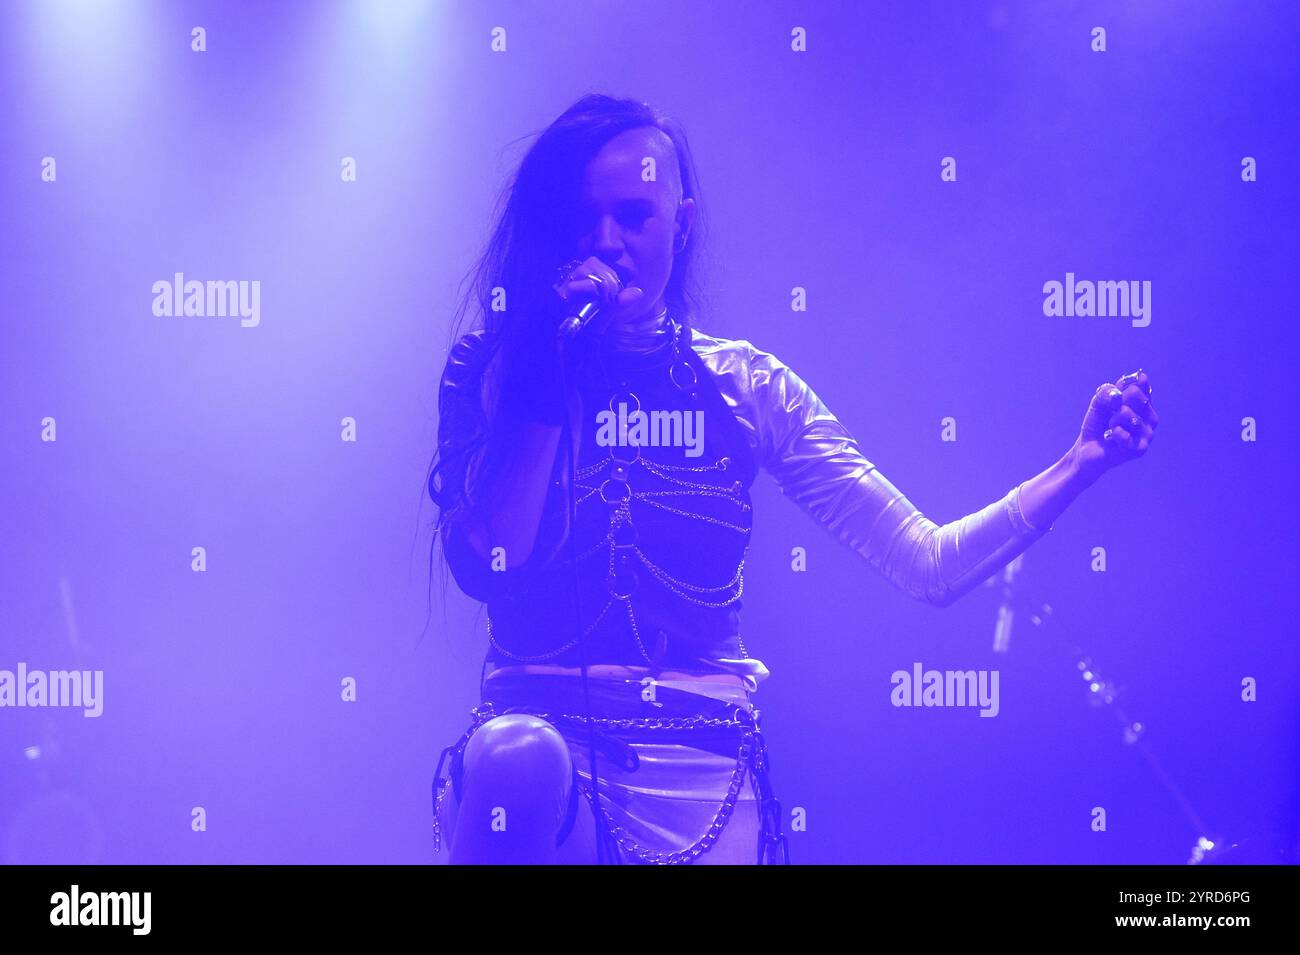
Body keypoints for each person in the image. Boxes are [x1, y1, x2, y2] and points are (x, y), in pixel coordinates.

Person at [426, 94, 1159, 865]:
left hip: (697, 776)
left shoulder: (746, 386)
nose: (605, 243)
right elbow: (487, 563)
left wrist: (1079, 468)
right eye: (583, 219)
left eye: (633, 215)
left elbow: (928, 562)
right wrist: (546, 373)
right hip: (541, 770)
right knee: (516, 757)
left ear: (683, 224)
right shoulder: (496, 368)